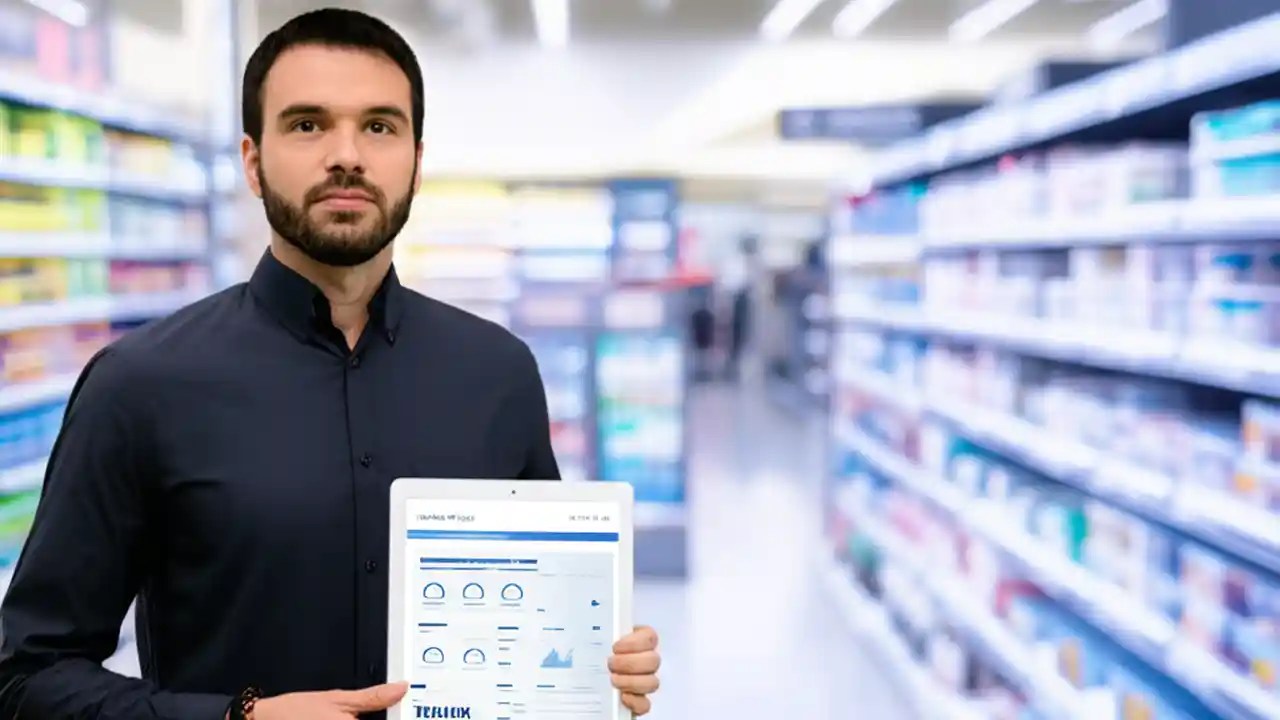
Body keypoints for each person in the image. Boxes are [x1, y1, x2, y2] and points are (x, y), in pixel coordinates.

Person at [0, 9, 661, 720]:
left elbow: (537, 623)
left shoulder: (498, 374)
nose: (347, 155)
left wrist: (600, 666)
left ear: (415, 157)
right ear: (253, 162)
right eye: (308, 124)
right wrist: (238, 718)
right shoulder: (141, 386)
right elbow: (28, 676)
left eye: (379, 126)